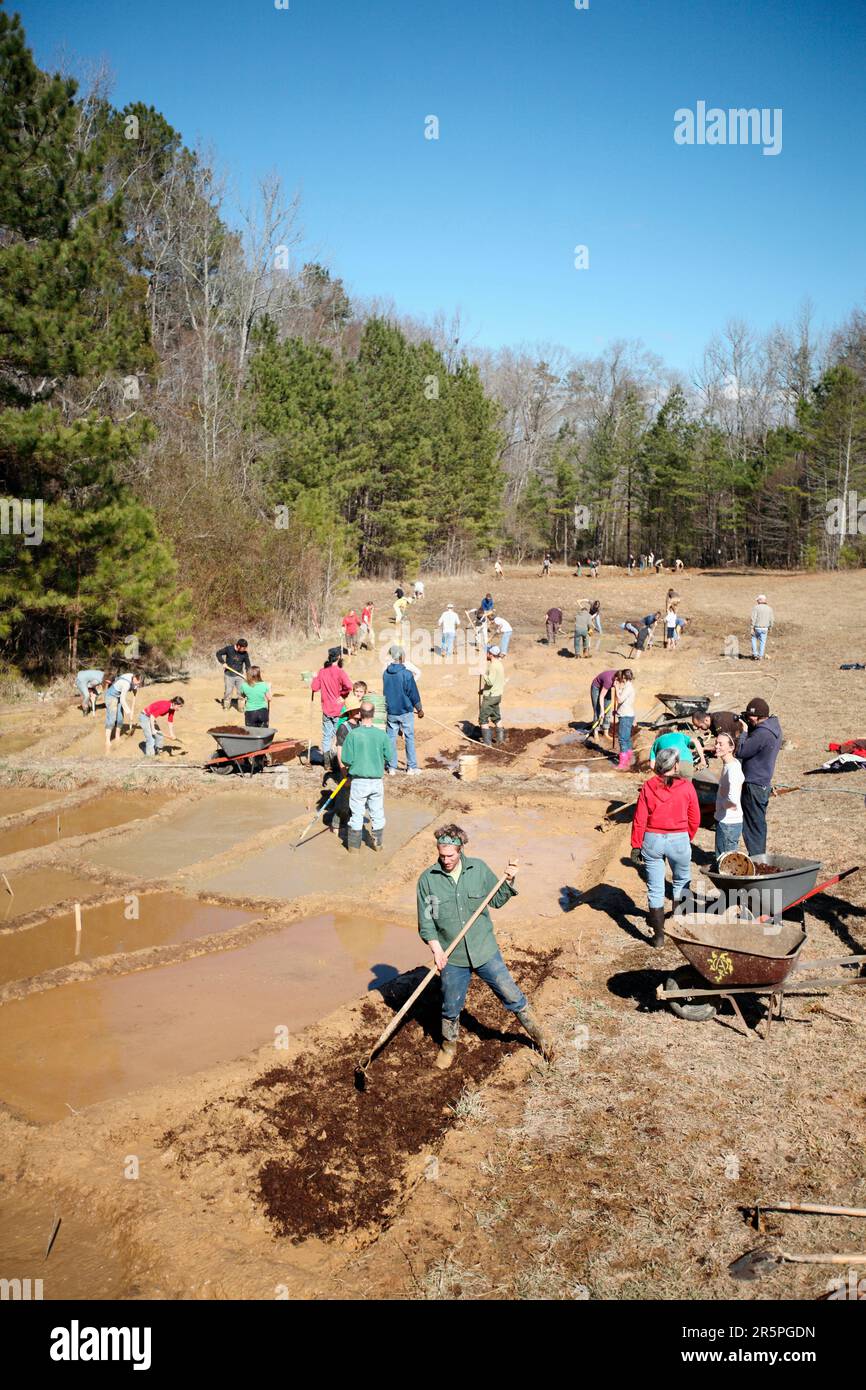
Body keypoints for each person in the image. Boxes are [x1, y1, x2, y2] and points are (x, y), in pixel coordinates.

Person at [416, 824, 553, 1068]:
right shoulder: (429, 881)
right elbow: (427, 922)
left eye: (451, 855)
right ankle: (448, 1046)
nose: (445, 860)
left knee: (511, 994)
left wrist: (510, 878)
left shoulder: (477, 869)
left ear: (460, 850)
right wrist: (436, 950)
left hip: (484, 949)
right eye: (442, 855)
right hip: (452, 955)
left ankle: (541, 1038)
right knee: (450, 1004)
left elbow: (498, 899)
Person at [630, 746, 700, 947]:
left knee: (655, 888)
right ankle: (677, 929)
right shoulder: (687, 787)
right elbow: (695, 817)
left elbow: (640, 818)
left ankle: (658, 937)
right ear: (676, 765)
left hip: (652, 840)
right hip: (678, 839)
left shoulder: (648, 786)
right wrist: (687, 836)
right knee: (681, 881)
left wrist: (636, 845)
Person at [339, 700, 394, 852]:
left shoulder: (353, 735)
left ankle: (354, 848)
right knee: (377, 813)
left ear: (360, 714)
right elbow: (389, 756)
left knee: (356, 815)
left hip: (359, 782)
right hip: (376, 781)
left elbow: (346, 759)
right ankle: (377, 844)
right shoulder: (381, 735)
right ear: (374, 714)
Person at [736, 697, 782, 854]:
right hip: (761, 782)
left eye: (750, 716)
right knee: (757, 823)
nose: (748, 718)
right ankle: (758, 856)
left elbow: (741, 751)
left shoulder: (762, 733)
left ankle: (757, 859)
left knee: (753, 825)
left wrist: (744, 732)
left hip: (753, 784)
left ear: (759, 715)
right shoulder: (773, 727)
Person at [383, 647, 424, 774]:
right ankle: (411, 767)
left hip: (391, 712)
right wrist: (419, 708)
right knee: (409, 738)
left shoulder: (385, 673)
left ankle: (391, 767)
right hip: (405, 711)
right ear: (401, 657)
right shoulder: (406, 674)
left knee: (391, 739)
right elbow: (413, 693)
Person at [326, 700, 362, 836]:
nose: (360, 712)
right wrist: (343, 770)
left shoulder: (360, 726)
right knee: (344, 800)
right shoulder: (344, 728)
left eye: (360, 710)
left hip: (357, 768)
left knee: (355, 799)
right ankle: (336, 824)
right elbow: (340, 751)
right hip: (346, 768)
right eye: (357, 710)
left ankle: (348, 824)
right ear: (350, 712)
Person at [311, 648, 353, 757]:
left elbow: (314, 688)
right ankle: (334, 757)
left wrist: (315, 677)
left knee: (327, 735)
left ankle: (327, 761)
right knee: (335, 735)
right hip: (338, 709)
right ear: (339, 657)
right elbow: (349, 686)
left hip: (326, 709)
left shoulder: (322, 672)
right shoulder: (340, 672)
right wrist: (342, 695)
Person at [714, 732, 744, 863]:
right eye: (716, 743)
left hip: (729, 824)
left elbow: (732, 801)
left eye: (721, 744)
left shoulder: (733, 769)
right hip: (726, 822)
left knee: (727, 863)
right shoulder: (730, 764)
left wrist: (721, 804)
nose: (716, 746)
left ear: (731, 748)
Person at [104, 672, 141, 753]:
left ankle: (117, 737)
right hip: (111, 696)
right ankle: (107, 741)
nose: (138, 684)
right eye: (137, 683)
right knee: (112, 719)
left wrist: (135, 688)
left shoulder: (133, 677)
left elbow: (134, 685)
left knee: (120, 718)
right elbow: (123, 700)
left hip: (119, 696)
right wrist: (129, 712)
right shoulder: (126, 684)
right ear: (134, 678)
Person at [479, 646, 506, 745]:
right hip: (497, 695)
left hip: (490, 697)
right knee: (496, 717)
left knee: (483, 719)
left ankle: (487, 743)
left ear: (490, 654)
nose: (486, 654)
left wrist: (483, 674)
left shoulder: (493, 665)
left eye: (487, 653)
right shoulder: (499, 664)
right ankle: (501, 740)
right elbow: (498, 681)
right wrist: (484, 690)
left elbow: (490, 682)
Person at [216, 639, 251, 711]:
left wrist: (249, 675)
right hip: (228, 675)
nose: (245, 650)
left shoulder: (245, 653)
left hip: (239, 675)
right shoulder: (229, 649)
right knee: (228, 691)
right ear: (238, 646)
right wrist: (223, 663)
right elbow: (218, 653)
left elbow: (248, 665)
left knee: (241, 692)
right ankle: (226, 706)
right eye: (243, 648)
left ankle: (241, 707)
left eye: (245, 648)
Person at [614, 670, 636, 770]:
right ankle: (628, 758)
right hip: (626, 714)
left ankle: (623, 763)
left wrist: (616, 688)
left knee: (622, 739)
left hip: (626, 715)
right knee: (626, 738)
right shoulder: (628, 687)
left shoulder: (628, 688)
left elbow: (619, 700)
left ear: (624, 676)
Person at [589, 668, 619, 734]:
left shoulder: (621, 678)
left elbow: (618, 696)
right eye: (617, 682)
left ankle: (606, 731)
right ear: (615, 679)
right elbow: (601, 696)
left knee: (608, 710)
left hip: (608, 687)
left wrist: (617, 708)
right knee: (597, 711)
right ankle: (595, 732)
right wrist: (602, 711)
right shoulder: (609, 681)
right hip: (596, 687)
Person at [750, 594, 774, 661]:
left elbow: (753, 618)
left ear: (760, 600)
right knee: (762, 642)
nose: (757, 601)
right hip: (765, 628)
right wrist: (770, 627)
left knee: (754, 639)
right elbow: (771, 619)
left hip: (757, 628)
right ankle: (760, 656)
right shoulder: (769, 608)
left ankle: (755, 654)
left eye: (757, 600)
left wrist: (752, 628)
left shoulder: (756, 608)